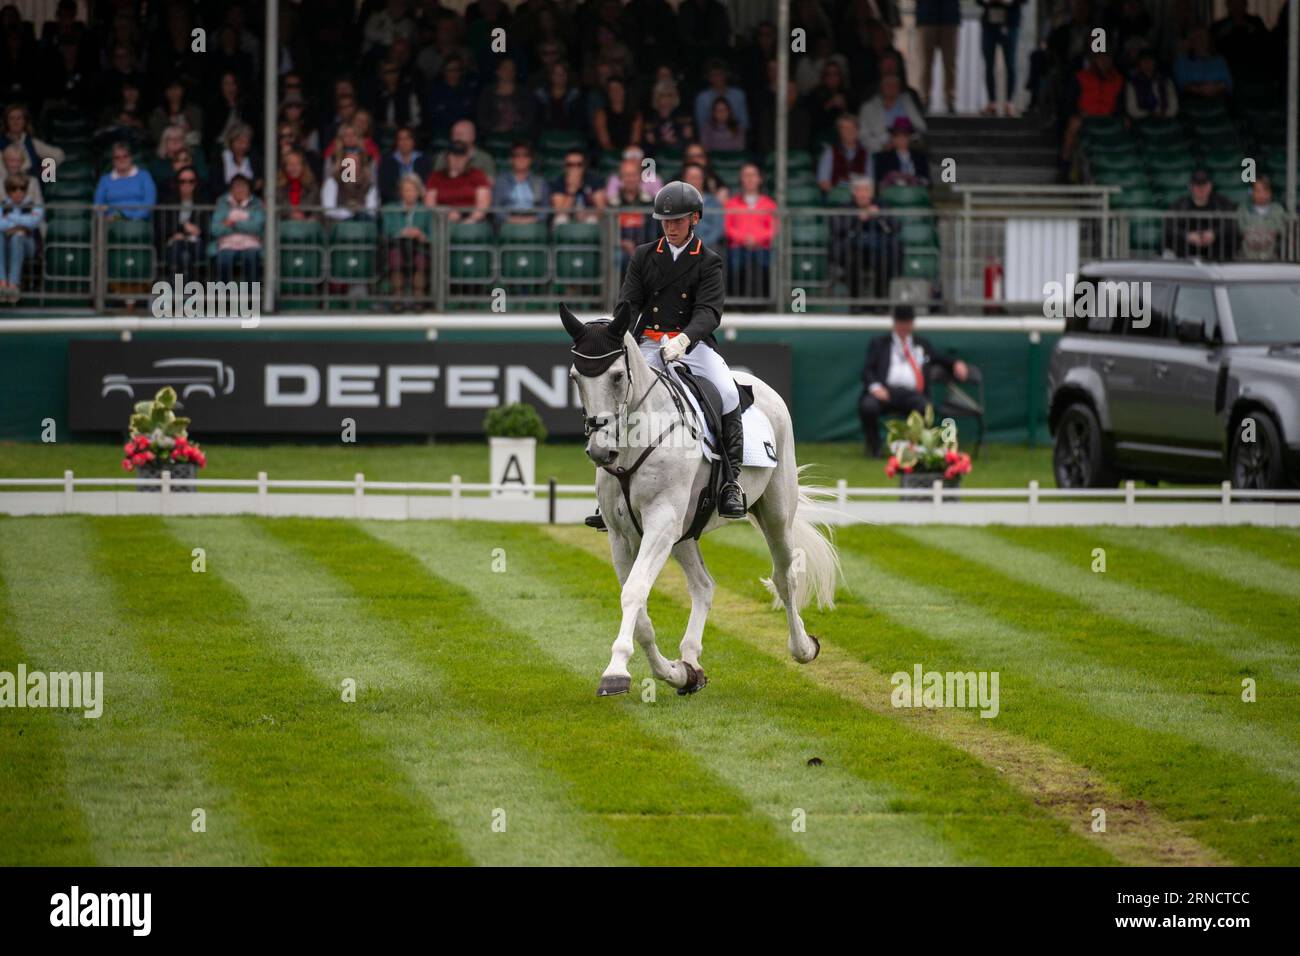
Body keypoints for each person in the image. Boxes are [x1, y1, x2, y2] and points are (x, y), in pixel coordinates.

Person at [585, 179, 745, 530]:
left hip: (691, 345)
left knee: (730, 392)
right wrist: (620, 334)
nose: (670, 227)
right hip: (648, 345)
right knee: (620, 397)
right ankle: (607, 493)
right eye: (665, 221)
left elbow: (708, 312)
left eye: (678, 220)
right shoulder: (644, 255)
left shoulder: (708, 260)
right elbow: (628, 302)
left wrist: (684, 340)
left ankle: (731, 482)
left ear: (695, 219)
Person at [860, 305, 969, 457]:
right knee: (868, 406)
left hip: (912, 394)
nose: (904, 326)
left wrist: (956, 363)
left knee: (925, 408)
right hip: (886, 391)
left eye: (907, 322)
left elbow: (939, 358)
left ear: (912, 324)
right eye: (901, 322)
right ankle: (875, 447)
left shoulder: (921, 344)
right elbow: (867, 370)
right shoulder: (879, 343)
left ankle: (916, 449)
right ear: (894, 323)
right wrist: (876, 388)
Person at [830, 175, 901, 303]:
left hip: (879, 250)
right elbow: (837, 229)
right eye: (859, 190)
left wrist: (879, 216)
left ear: (872, 193)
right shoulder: (845, 208)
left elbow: (895, 227)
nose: (863, 194)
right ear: (853, 193)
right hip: (853, 250)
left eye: (866, 190)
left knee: (887, 258)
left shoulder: (882, 206)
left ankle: (881, 302)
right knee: (851, 258)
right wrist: (857, 219)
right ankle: (855, 303)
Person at [722, 162, 776, 297]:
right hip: (737, 247)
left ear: (760, 179)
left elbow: (774, 228)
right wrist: (743, 239)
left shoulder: (769, 204)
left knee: (763, 263)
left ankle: (763, 302)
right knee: (735, 263)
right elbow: (727, 226)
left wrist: (756, 240)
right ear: (741, 179)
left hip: (762, 247)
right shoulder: (732, 203)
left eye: (753, 175)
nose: (750, 179)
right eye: (746, 175)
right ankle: (737, 301)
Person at [382, 173, 433, 307]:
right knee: (395, 259)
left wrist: (421, 235)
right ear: (400, 192)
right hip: (397, 244)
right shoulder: (390, 209)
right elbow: (387, 230)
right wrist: (402, 232)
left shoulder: (426, 211)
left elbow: (432, 233)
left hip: (419, 246)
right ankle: (397, 299)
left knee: (421, 262)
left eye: (412, 190)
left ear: (418, 192)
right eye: (406, 190)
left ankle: (418, 300)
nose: (409, 193)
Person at [1165, 168, 1238, 261]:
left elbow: (1231, 224)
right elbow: (1169, 226)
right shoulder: (1179, 205)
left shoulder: (1222, 203)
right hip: (1187, 251)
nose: (1201, 188)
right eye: (1197, 185)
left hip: (1216, 251)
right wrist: (1187, 236)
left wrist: (1214, 234)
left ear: (1210, 186)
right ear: (1191, 186)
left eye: (1204, 184)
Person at [157, 165, 208, 278]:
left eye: (191, 181)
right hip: (174, 242)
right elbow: (162, 227)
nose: (187, 184)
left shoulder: (202, 202)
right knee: (178, 250)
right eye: (182, 181)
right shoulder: (168, 203)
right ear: (177, 183)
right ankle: (180, 290)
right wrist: (183, 229)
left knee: (189, 254)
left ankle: (190, 290)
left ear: (196, 183)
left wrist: (199, 231)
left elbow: (207, 228)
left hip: (196, 243)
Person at [211, 174, 265, 281]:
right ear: (231, 189)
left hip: (251, 243)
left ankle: (252, 296)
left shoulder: (257, 204)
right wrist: (246, 222)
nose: (240, 190)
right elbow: (215, 229)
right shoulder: (222, 203)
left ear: (249, 189)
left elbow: (257, 227)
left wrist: (233, 222)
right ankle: (224, 295)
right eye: (236, 187)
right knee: (224, 260)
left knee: (251, 258)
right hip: (227, 243)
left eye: (243, 187)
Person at [857, 73, 926, 154]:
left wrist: (907, 140)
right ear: (881, 87)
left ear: (899, 88)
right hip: (879, 152)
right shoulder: (868, 108)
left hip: (908, 149)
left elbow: (921, 128)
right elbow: (863, 135)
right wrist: (882, 146)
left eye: (894, 85)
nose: (890, 88)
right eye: (887, 85)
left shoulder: (908, 103)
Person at [424, 139, 490, 222]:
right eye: (454, 155)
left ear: (467, 158)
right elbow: (430, 204)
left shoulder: (478, 175)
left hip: (472, 222)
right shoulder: (436, 176)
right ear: (447, 157)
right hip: (442, 221)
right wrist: (445, 214)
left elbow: (483, 205)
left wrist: (470, 220)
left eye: (461, 156)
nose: (457, 159)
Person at [0, 172, 41, 302]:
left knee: (17, 238)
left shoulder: (34, 204)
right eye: (14, 189)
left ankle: (13, 286)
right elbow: (0, 224)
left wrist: (11, 218)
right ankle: (2, 284)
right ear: (8, 191)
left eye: (22, 189)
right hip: (4, 244)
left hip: (29, 245)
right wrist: (20, 225)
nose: (18, 192)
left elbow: (33, 222)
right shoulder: (2, 204)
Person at [977, 0, 1024, 116]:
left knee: (1010, 64)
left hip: (1010, 21)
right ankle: (992, 102)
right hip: (990, 22)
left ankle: (1009, 102)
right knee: (989, 64)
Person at [916, 0, 961, 113]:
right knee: (925, 63)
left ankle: (950, 100)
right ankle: (924, 99)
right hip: (926, 16)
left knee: (950, 63)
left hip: (949, 17)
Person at [93, 141, 156, 221]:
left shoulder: (144, 176)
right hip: (112, 222)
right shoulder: (105, 180)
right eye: (117, 157)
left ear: (131, 157)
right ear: (113, 160)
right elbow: (98, 203)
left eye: (125, 156)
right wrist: (104, 218)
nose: (121, 160)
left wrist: (132, 218)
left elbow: (149, 202)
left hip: (138, 222)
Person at [490, 140, 549, 225]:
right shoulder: (501, 181)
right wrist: (510, 219)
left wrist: (533, 220)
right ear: (511, 159)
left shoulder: (540, 181)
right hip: (507, 223)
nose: (521, 159)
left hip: (533, 223)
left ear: (531, 159)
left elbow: (546, 209)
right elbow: (496, 208)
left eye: (526, 155)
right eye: (517, 155)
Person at [817, 113, 872, 193]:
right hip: (836, 199)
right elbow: (823, 182)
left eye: (852, 128)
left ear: (857, 130)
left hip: (859, 199)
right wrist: (838, 194)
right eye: (844, 128)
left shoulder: (866, 153)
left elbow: (870, 182)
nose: (849, 132)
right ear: (839, 132)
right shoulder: (830, 152)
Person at [378, 125, 432, 204]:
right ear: (396, 142)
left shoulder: (424, 160)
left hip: (419, 203)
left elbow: (426, 184)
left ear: (413, 141)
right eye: (400, 139)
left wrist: (413, 198)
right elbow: (385, 188)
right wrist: (403, 200)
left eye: (407, 138)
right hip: (395, 203)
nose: (404, 142)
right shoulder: (387, 161)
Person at [550, 149, 606, 224]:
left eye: (579, 164)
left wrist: (588, 214)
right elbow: (560, 212)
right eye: (570, 165)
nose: (574, 168)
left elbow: (601, 208)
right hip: (569, 218)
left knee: (592, 220)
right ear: (565, 167)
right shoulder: (559, 182)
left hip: (589, 217)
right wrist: (572, 191)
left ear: (584, 166)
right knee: (560, 219)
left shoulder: (594, 180)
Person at [1237, 175, 1284, 261]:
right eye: (1258, 191)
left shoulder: (1278, 209)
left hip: (1271, 258)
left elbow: (1278, 229)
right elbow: (1242, 230)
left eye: (1265, 191)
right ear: (1252, 192)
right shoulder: (1243, 209)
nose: (1262, 195)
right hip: (1246, 259)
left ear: (1270, 193)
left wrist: (1262, 234)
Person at [872, 117, 931, 185]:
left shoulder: (920, 157)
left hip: (916, 192)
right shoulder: (883, 158)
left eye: (905, 136)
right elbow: (879, 181)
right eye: (897, 136)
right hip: (893, 193)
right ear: (892, 138)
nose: (901, 139)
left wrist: (915, 181)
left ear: (909, 138)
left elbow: (928, 181)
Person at [1125, 48, 1179, 120]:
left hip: (1165, 119)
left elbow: (1173, 107)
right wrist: (1151, 114)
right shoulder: (1132, 83)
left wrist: (1162, 114)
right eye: (1144, 60)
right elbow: (1132, 110)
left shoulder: (1166, 81)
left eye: (1150, 60)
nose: (1147, 63)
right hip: (1143, 121)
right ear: (1139, 63)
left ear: (1155, 62)